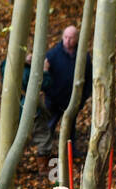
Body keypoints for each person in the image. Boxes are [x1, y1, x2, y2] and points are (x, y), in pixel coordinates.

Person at [33, 25, 92, 156]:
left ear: (76, 39)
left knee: (70, 128)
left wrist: (83, 98)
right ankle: (45, 153)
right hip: (54, 101)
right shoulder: (53, 55)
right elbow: (44, 77)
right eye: (65, 37)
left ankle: (71, 152)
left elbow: (89, 78)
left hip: (73, 100)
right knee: (49, 126)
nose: (68, 40)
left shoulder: (83, 56)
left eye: (71, 38)